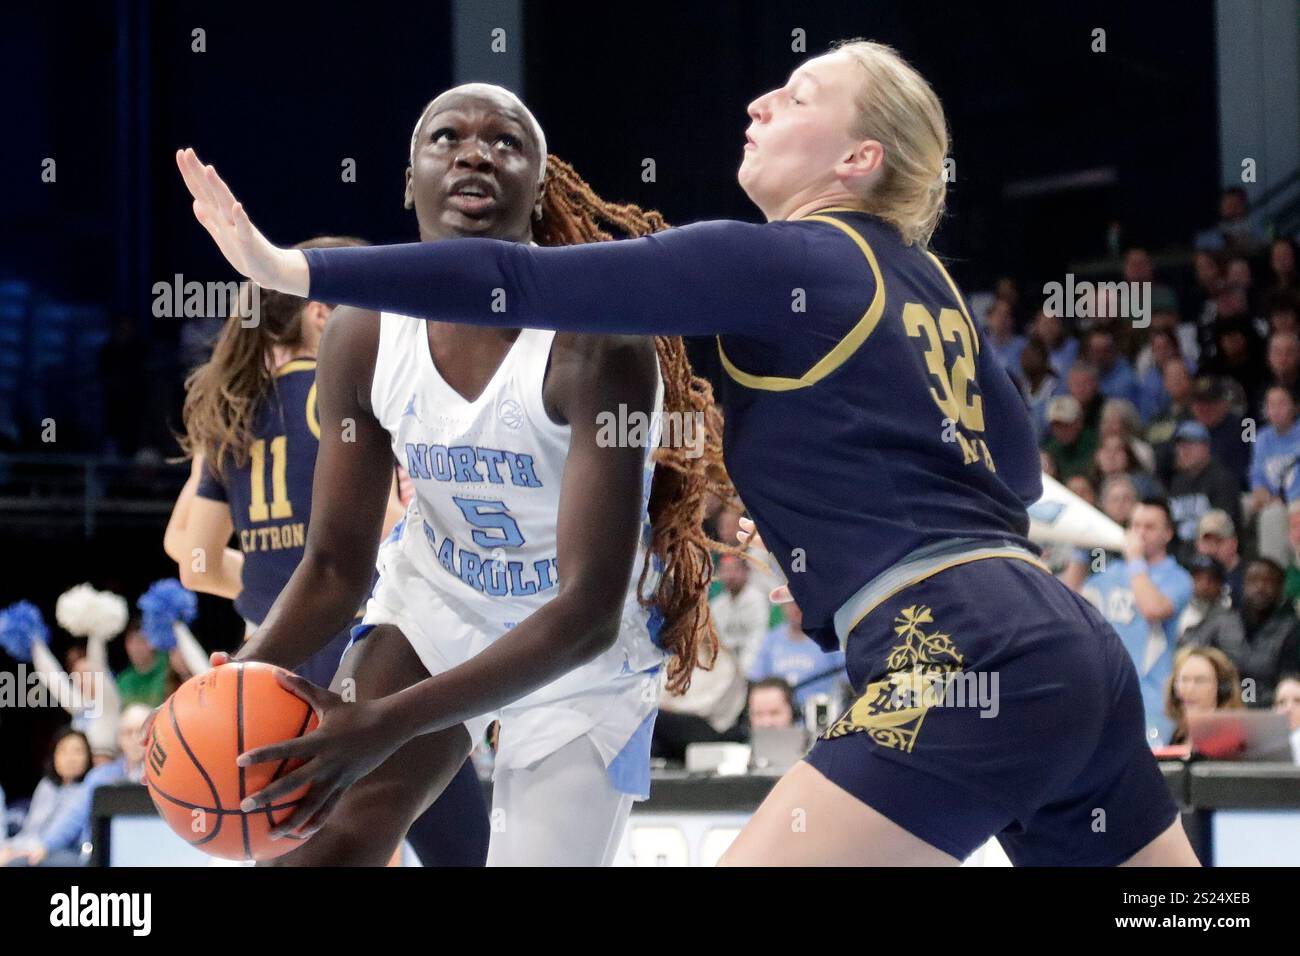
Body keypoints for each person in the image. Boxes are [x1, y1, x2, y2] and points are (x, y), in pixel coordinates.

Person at [179, 39, 1197, 865]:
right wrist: (826, 511)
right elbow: (1010, 477)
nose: (759, 100)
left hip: (956, 647)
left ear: (857, 161)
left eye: (797, 96)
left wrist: (286, 265)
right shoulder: (930, 289)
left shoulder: (784, 259)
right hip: (1069, 646)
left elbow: (521, 284)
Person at [176, 84, 727, 866]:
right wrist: (245, 674)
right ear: (410, 181)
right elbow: (336, 563)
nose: (474, 151)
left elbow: (590, 609)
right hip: (440, 598)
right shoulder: (362, 333)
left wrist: (391, 720)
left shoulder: (600, 346)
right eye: (446, 137)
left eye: (506, 141)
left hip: (578, 647)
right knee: (330, 833)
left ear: (538, 187)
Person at [164, 240, 488, 867]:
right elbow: (396, 538)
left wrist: (270, 582)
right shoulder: (351, 388)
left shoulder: (231, 410)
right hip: (371, 649)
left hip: (269, 666)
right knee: (458, 849)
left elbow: (190, 555)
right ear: (321, 315)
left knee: (298, 851)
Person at [1081, 499, 1192, 745]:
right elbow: (1071, 605)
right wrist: (1077, 555)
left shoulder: (1178, 577)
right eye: (1135, 526)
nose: (1140, 533)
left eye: (1149, 527)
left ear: (1168, 534)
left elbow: (1152, 608)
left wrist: (1135, 559)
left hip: (1151, 699)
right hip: (1107, 696)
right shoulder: (1109, 573)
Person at [1212, 559, 1300, 707]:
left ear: (1281, 588)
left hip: (1274, 715)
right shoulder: (1221, 625)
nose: (1260, 587)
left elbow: (1290, 683)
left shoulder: (1292, 630)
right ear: (1243, 584)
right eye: (1253, 580)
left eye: (1268, 581)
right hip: (1226, 712)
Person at [0, 729, 90, 867]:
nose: (70, 758)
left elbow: (60, 834)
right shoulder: (46, 786)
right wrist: (9, 848)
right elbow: (30, 829)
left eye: (77, 751)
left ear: (88, 757)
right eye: (63, 751)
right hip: (31, 846)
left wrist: (17, 852)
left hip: (65, 852)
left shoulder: (87, 790)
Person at [748, 601, 846, 710]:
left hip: (821, 714)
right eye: (790, 602)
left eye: (801, 599)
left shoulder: (829, 636)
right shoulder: (771, 640)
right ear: (782, 605)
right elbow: (757, 682)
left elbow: (848, 679)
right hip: (779, 719)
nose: (797, 607)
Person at [1167, 421, 1243, 563]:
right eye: (1180, 446)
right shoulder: (1177, 484)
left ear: (1206, 447)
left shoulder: (1222, 480)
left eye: (1190, 445)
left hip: (1213, 557)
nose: (1183, 451)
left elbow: (1223, 527)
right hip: (1181, 557)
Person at [1164, 646, 1243, 747]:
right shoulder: (1177, 737)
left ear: (1221, 689)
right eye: (1184, 679)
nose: (1189, 689)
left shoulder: (1233, 742)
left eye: (1200, 680)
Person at [710, 553, 772, 675]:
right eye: (725, 570)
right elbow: (716, 644)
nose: (730, 576)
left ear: (745, 572)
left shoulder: (758, 600)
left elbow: (758, 640)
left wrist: (743, 670)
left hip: (753, 667)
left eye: (735, 569)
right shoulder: (716, 605)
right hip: (725, 669)